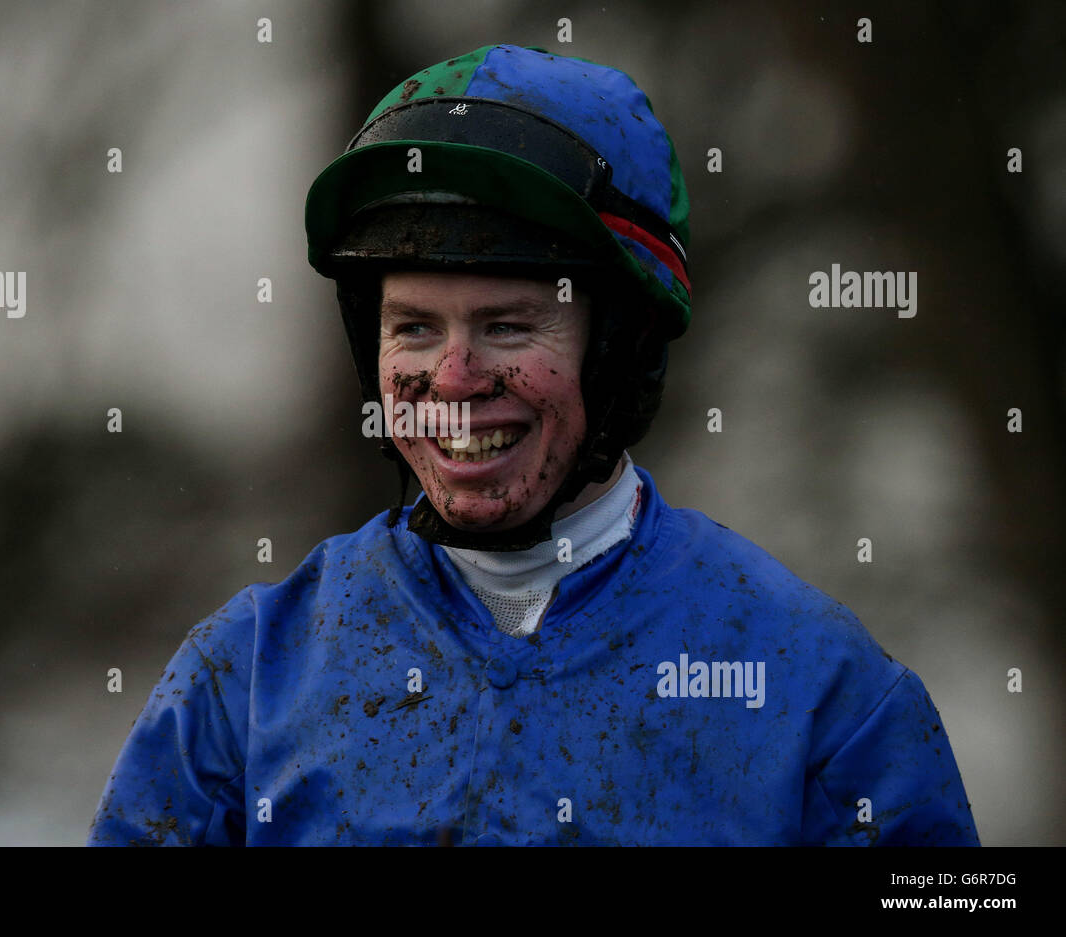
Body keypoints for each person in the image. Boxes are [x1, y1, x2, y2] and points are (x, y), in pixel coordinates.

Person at [87, 44, 979, 846]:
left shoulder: (826, 699)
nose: (453, 378)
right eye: (414, 329)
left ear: (620, 349)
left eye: (509, 326)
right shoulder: (239, 682)